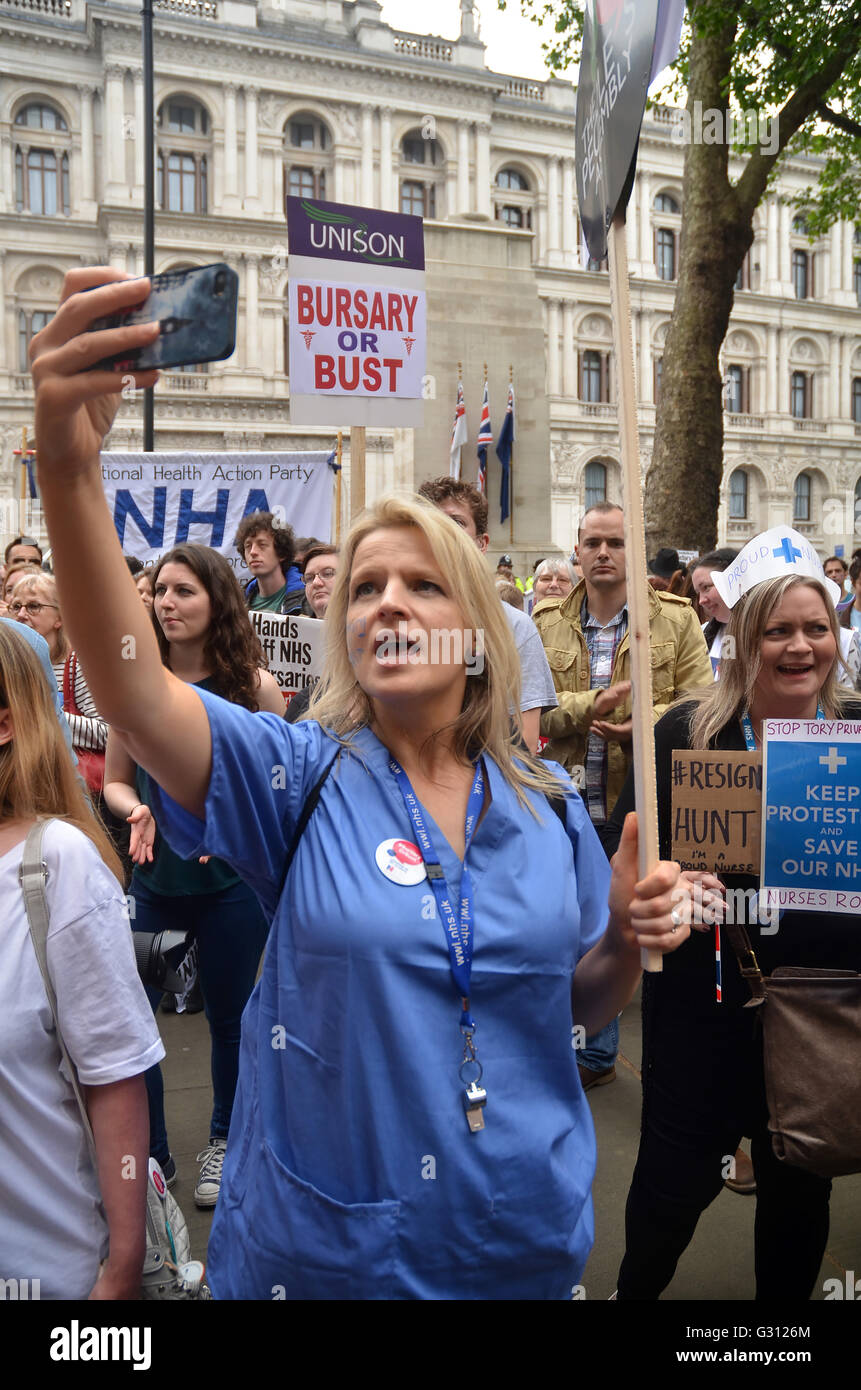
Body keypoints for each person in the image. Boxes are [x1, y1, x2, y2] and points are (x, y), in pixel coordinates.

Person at [29, 265, 693, 1299]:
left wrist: (619, 935)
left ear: (478, 630)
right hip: (326, 1256)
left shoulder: (551, 805)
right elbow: (129, 683)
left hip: (517, 1245)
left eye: (422, 584)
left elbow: (569, 998)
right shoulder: (292, 777)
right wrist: (71, 470)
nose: (387, 601)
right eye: (367, 586)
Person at [601, 534, 859, 1300]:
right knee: (667, 1193)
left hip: (817, 1014)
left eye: (814, 627)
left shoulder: (855, 737)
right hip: (701, 1007)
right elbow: (633, 862)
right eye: (777, 629)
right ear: (745, 641)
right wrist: (656, 892)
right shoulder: (683, 735)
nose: (798, 645)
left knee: (797, 1192)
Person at [103, 542, 283, 1205]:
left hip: (233, 890)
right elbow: (118, 784)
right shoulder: (138, 682)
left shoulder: (253, 688)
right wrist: (139, 811)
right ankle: (151, 1158)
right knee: (137, 1025)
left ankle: (223, 1143)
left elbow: (278, 790)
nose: (166, 602)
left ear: (218, 602)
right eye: (160, 592)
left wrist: (231, 824)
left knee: (232, 1021)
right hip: (155, 887)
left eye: (184, 591)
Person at [0, 622, 163, 1299]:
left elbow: (115, 1075)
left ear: (4, 724)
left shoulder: (55, 866)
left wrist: (120, 1270)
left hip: (53, 1274)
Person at [535, 502, 713, 1090]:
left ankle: (598, 1054)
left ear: (634, 552)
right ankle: (577, 1037)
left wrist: (643, 722)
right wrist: (591, 708)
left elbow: (700, 705)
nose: (604, 552)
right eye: (593, 542)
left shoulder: (678, 620)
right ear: (577, 550)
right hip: (563, 795)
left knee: (625, 913)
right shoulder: (545, 623)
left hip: (639, 800)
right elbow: (532, 715)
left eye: (616, 542)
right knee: (570, 916)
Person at [417, 477, 558, 753]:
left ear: (481, 543)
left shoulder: (515, 627)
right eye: (431, 522)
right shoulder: (393, 619)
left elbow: (525, 744)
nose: (442, 531)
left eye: (456, 522)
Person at [10, 570, 107, 767]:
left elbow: (107, 733)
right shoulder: (8, 662)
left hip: (63, 778)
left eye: (33, 606)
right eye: (16, 606)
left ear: (59, 618)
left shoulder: (77, 665)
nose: (21, 614)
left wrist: (44, 715)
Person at [235, 510, 305, 615]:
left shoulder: (306, 599)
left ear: (281, 553)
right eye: (248, 546)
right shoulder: (237, 604)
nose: (253, 552)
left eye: (262, 544)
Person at [690, 547, 739, 676]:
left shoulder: (767, 636)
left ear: (732, 580)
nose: (701, 601)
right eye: (697, 593)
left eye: (706, 587)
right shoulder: (701, 634)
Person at [302, 543, 338, 619]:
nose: (316, 582)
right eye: (309, 578)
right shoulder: (294, 628)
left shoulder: (365, 628)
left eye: (327, 573)